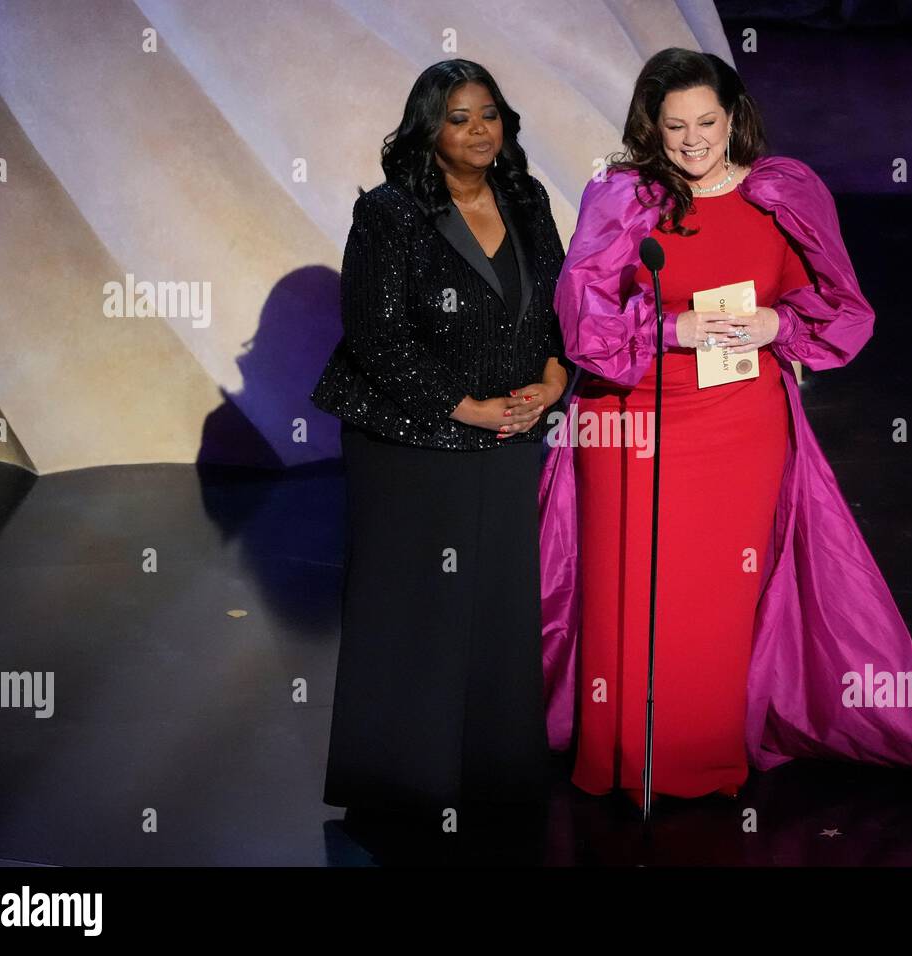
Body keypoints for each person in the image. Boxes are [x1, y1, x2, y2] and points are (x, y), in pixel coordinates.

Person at [541, 48, 912, 807]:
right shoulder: (623, 195)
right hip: (633, 425)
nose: (693, 141)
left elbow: (841, 308)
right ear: (650, 127)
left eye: (707, 122)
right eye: (675, 127)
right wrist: (674, 326)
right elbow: (582, 321)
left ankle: (700, 755)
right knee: (630, 590)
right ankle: (622, 755)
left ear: (734, 118)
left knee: (716, 599)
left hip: (739, 426)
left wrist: (775, 321)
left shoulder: (780, 192)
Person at [310, 59, 571, 823]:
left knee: (496, 609)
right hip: (412, 445)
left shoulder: (525, 197)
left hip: (511, 434)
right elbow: (378, 338)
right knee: (414, 612)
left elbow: (558, 306)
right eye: (460, 117)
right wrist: (468, 408)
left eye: (489, 114)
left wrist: (555, 383)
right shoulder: (389, 214)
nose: (479, 130)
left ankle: (494, 772)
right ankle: (399, 782)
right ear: (429, 128)